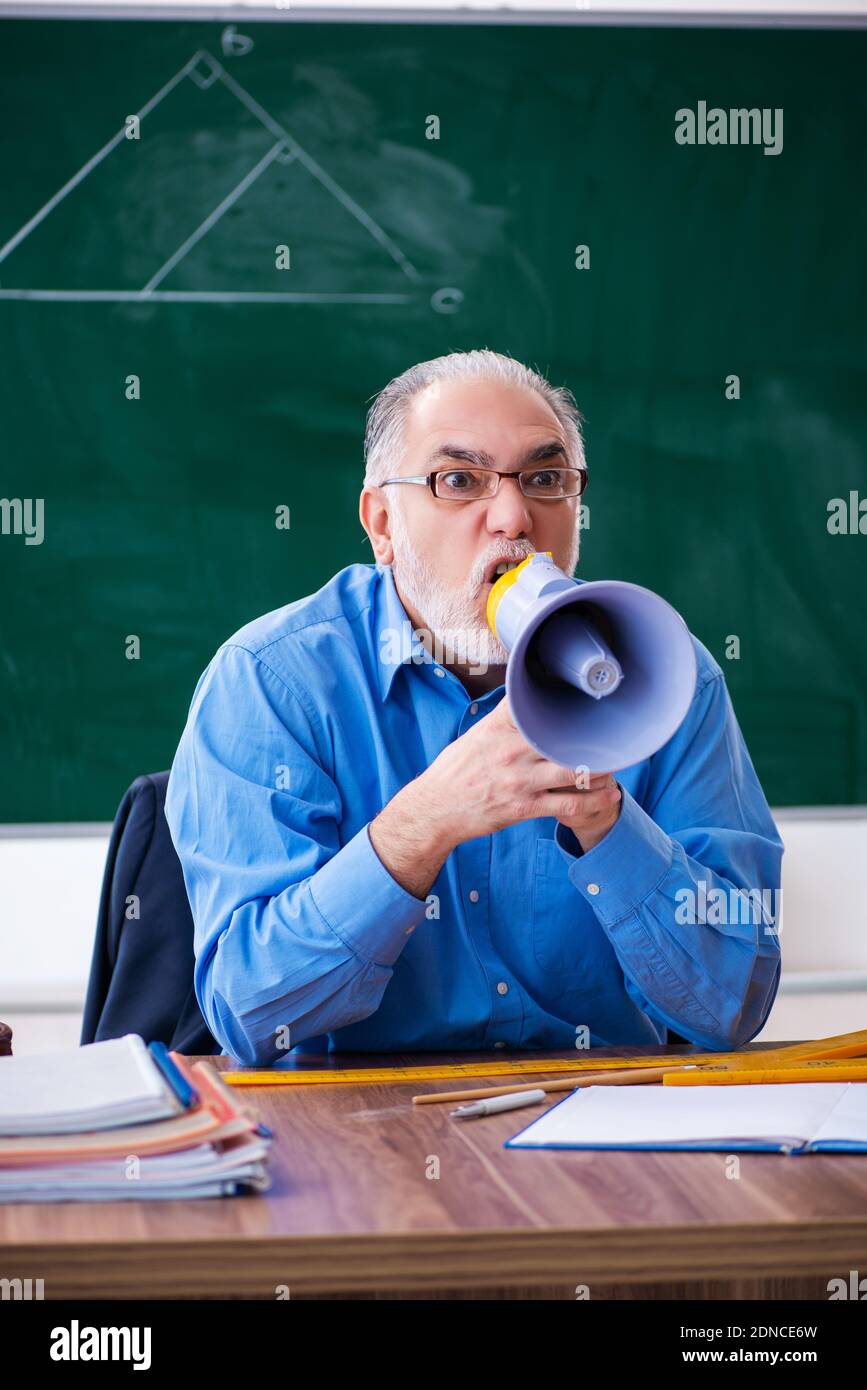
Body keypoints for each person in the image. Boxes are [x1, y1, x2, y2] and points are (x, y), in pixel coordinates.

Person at [165, 349, 782, 1065]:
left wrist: (606, 824)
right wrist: (421, 825)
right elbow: (248, 1010)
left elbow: (733, 1007)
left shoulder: (664, 671)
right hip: (353, 1130)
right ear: (382, 524)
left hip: (597, 1128)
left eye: (545, 479)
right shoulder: (272, 681)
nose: (514, 517)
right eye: (458, 480)